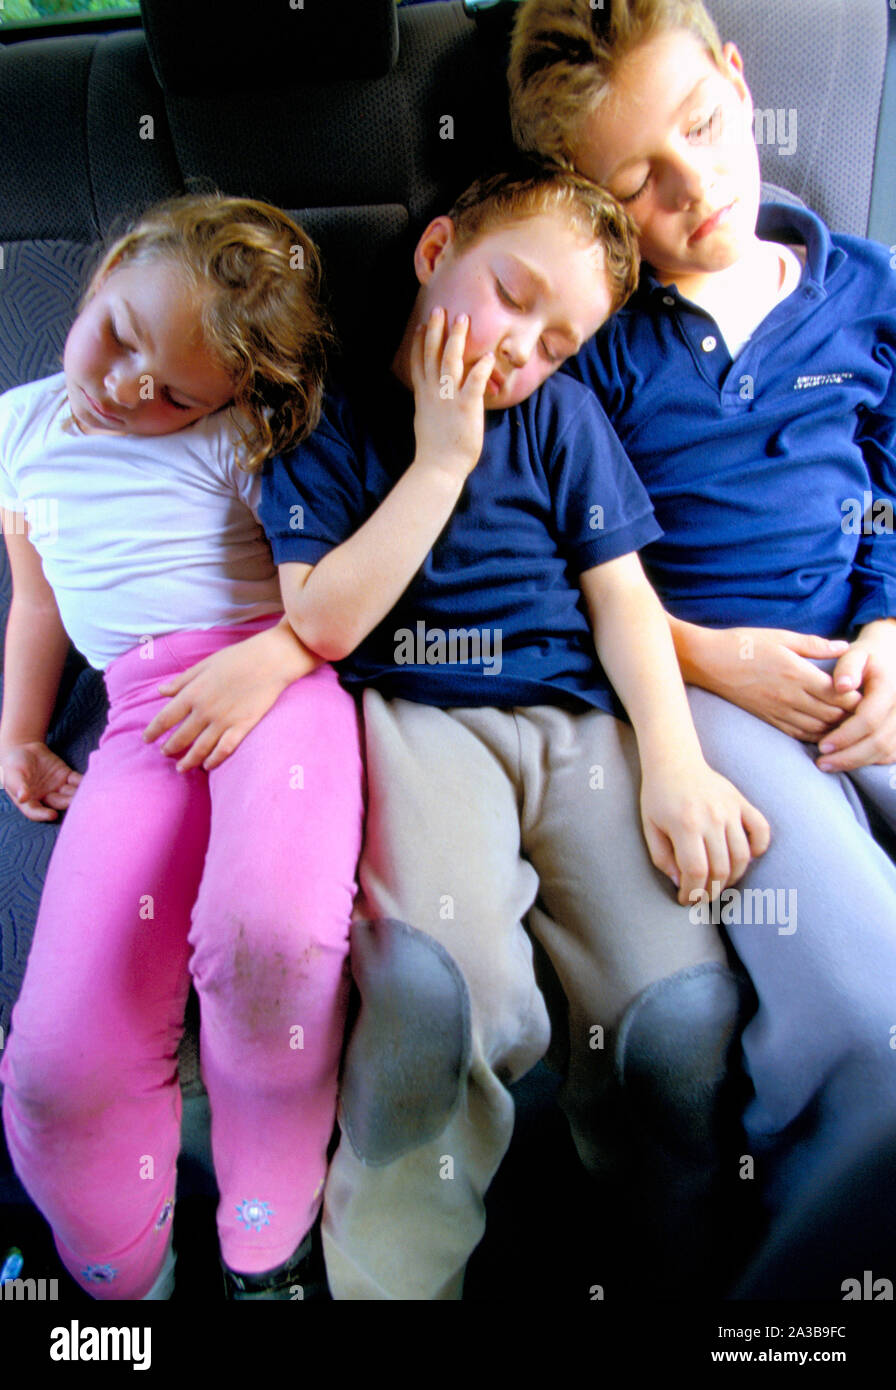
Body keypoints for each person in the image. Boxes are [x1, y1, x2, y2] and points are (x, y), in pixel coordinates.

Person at [258, 165, 831, 1301]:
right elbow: (319, 620)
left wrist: (669, 760)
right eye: (510, 296)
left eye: (557, 343)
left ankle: (656, 1260)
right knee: (441, 991)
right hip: (420, 718)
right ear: (434, 257)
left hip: (578, 723)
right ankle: (391, 1271)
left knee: (678, 1015)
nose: (521, 351)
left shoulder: (561, 421)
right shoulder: (328, 413)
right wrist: (443, 457)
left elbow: (621, 601)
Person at [509, 0, 896, 1249]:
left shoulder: (860, 292)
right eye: (638, 185)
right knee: (863, 1007)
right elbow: (554, 561)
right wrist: (704, 656)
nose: (695, 188)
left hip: (868, 668)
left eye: (705, 127)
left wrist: (889, 619)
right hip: (706, 702)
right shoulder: (596, 351)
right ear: (587, 202)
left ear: (737, 78)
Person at [0, 194, 364, 1301]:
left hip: (274, 686)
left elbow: (324, 593)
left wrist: (286, 656)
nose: (125, 389)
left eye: (172, 393)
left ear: (227, 398)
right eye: (118, 338)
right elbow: (39, 601)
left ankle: (266, 1240)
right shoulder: (18, 430)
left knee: (267, 948)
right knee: (55, 1068)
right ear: (106, 270)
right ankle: (123, 1278)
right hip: (141, 723)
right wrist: (19, 729)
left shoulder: (245, 433)